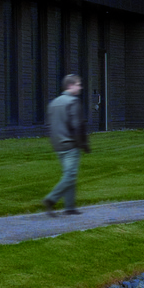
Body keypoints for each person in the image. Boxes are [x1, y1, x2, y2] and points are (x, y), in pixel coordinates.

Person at [42, 73, 89, 214]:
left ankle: (69, 207)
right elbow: (77, 125)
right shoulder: (73, 102)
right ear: (70, 85)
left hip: (58, 144)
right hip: (70, 144)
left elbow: (51, 125)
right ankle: (51, 199)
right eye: (78, 84)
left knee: (69, 174)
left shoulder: (54, 103)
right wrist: (83, 143)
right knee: (70, 176)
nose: (80, 87)